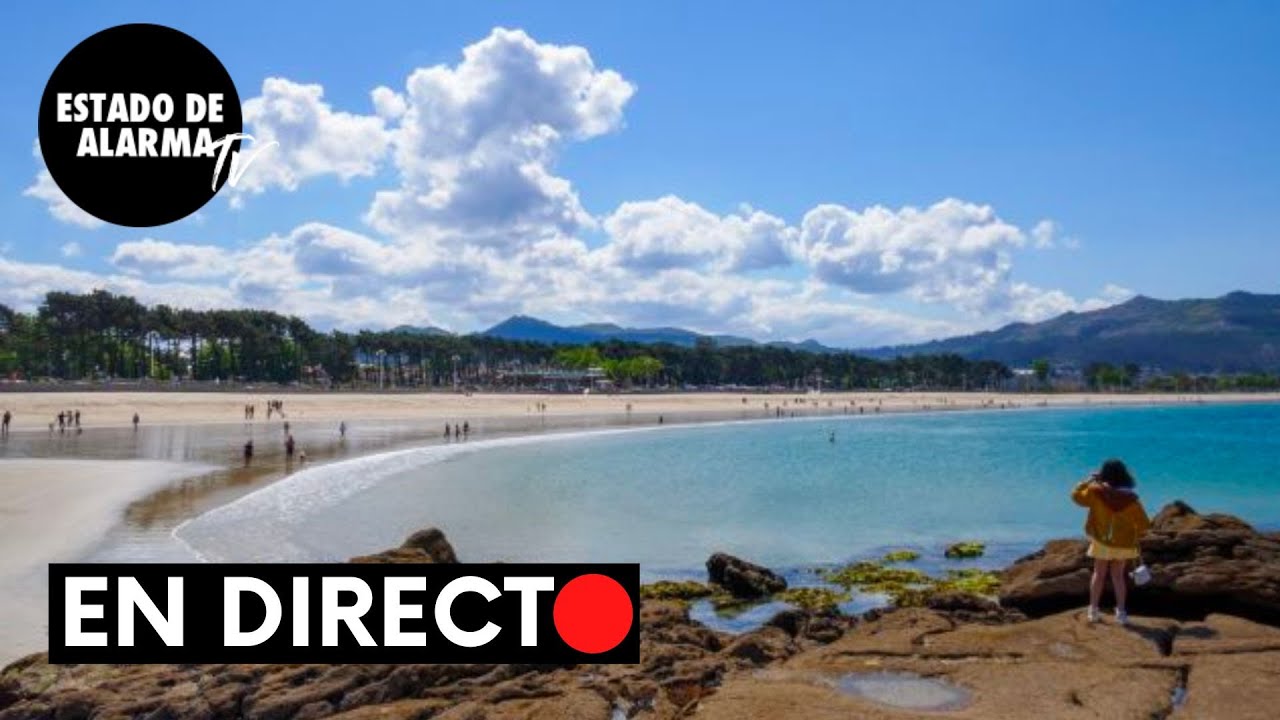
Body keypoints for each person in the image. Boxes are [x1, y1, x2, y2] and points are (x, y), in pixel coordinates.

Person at [1072, 459, 1151, 625]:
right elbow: (1144, 524)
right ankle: (1121, 614)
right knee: (1118, 577)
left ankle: (1093, 611)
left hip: (1102, 541)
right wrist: (1130, 533)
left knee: (1098, 574)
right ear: (1124, 475)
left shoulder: (1095, 491)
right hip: (1123, 544)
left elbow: (1076, 497)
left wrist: (1088, 481)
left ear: (1104, 474)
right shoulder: (1131, 499)